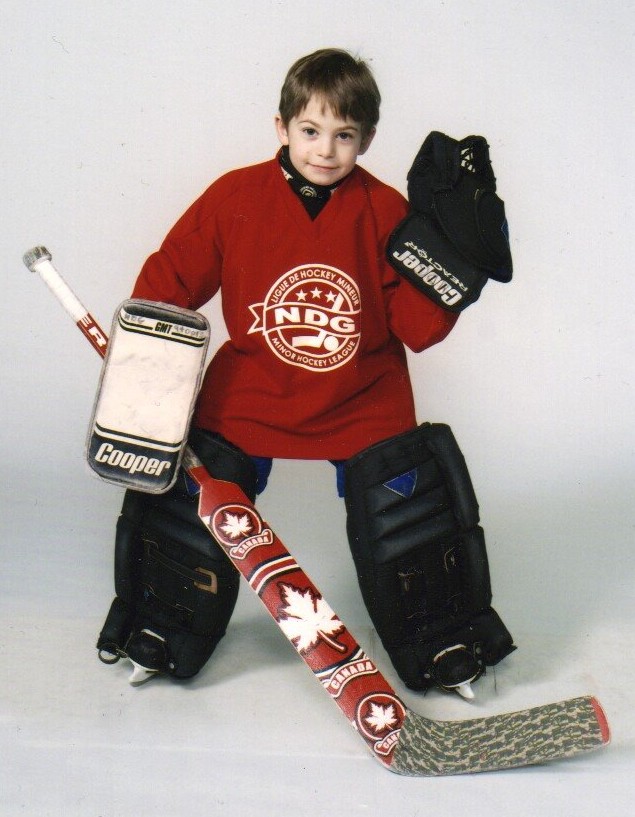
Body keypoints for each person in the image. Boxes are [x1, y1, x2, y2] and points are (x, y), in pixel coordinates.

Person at [96, 48, 515, 696]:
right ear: (281, 126)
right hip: (253, 390)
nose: (325, 150)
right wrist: (144, 358)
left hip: (361, 396)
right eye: (310, 131)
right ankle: (161, 623)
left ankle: (442, 639)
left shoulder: (383, 209)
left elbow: (416, 329)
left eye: (344, 135)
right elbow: (168, 282)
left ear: (367, 138)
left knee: (408, 508)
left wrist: (454, 263)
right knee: (191, 490)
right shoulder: (234, 197)